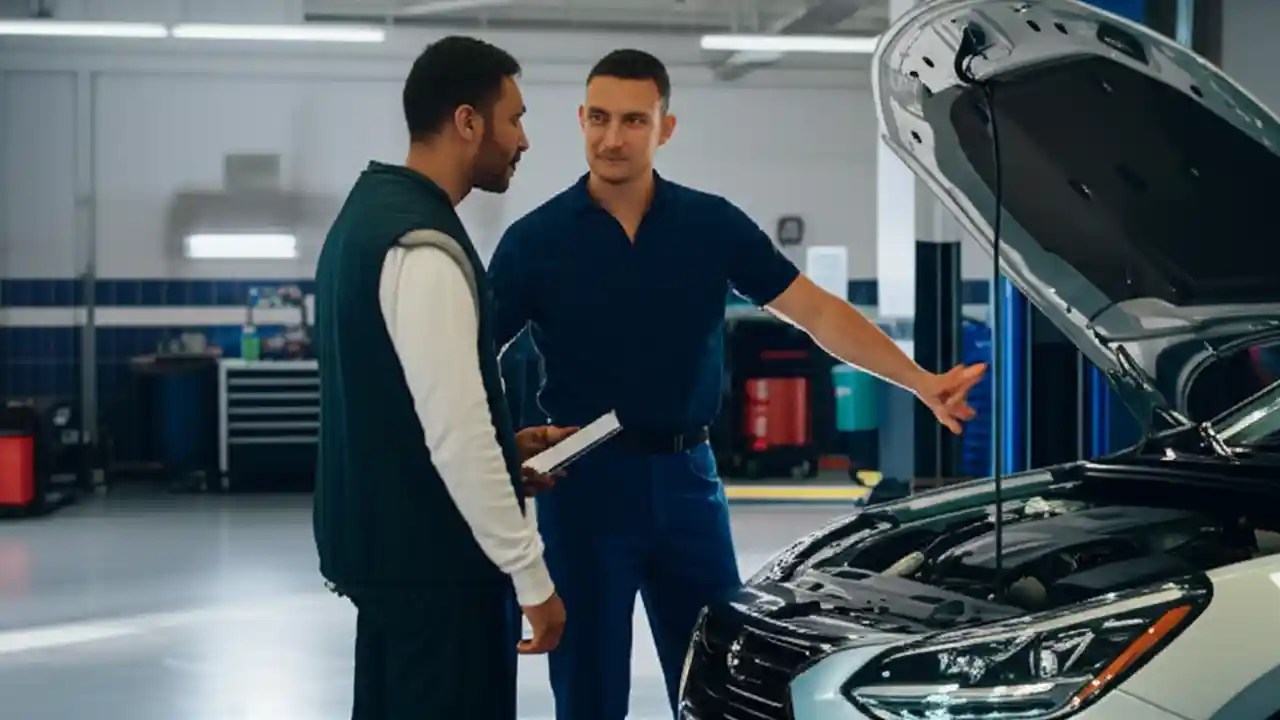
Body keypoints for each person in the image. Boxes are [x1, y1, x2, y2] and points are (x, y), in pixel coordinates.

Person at [486, 48, 987, 719]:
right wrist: (497, 445)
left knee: (719, 680)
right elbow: (467, 353)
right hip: (584, 489)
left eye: (634, 120)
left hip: (689, 485)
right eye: (599, 118)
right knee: (588, 690)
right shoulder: (533, 242)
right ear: (579, 119)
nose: (612, 137)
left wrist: (918, 380)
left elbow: (816, 311)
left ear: (665, 129)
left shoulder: (710, 225)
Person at [312, 36, 574, 719]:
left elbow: (404, 409)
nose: (523, 140)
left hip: (397, 569)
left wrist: (503, 446)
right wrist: (532, 578)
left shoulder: (367, 218)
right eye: (513, 118)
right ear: (467, 121)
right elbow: (454, 438)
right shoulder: (421, 247)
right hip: (437, 579)